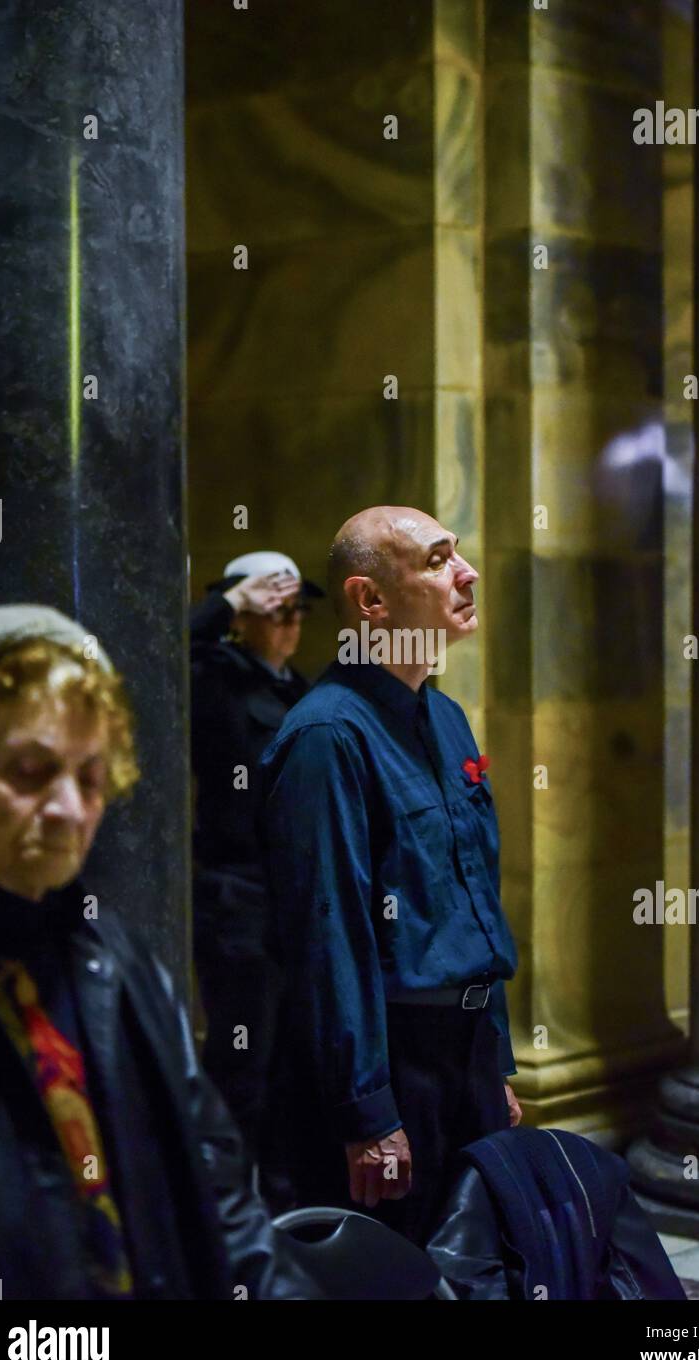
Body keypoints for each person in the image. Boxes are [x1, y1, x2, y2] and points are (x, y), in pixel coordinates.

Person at [0, 604, 321, 1299]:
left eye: (91, 778)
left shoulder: (116, 962)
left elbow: (221, 1194)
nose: (68, 808)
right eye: (30, 772)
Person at [260, 506, 521, 1245]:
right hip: (390, 1055)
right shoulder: (327, 734)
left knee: (475, 1268)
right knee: (395, 1268)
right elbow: (328, 933)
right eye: (438, 560)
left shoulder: (444, 718)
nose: (466, 574)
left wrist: (494, 1058)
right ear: (370, 601)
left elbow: (474, 895)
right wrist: (365, 1111)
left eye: (458, 555)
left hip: (463, 1050)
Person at [189, 552, 322, 1172]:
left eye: (298, 610)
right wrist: (233, 602)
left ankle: (280, 1197)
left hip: (296, 900)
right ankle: (223, 1204)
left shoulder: (300, 690)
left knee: (295, 1062)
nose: (291, 622)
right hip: (236, 897)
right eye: (278, 609)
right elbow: (148, 657)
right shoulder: (213, 675)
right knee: (243, 1059)